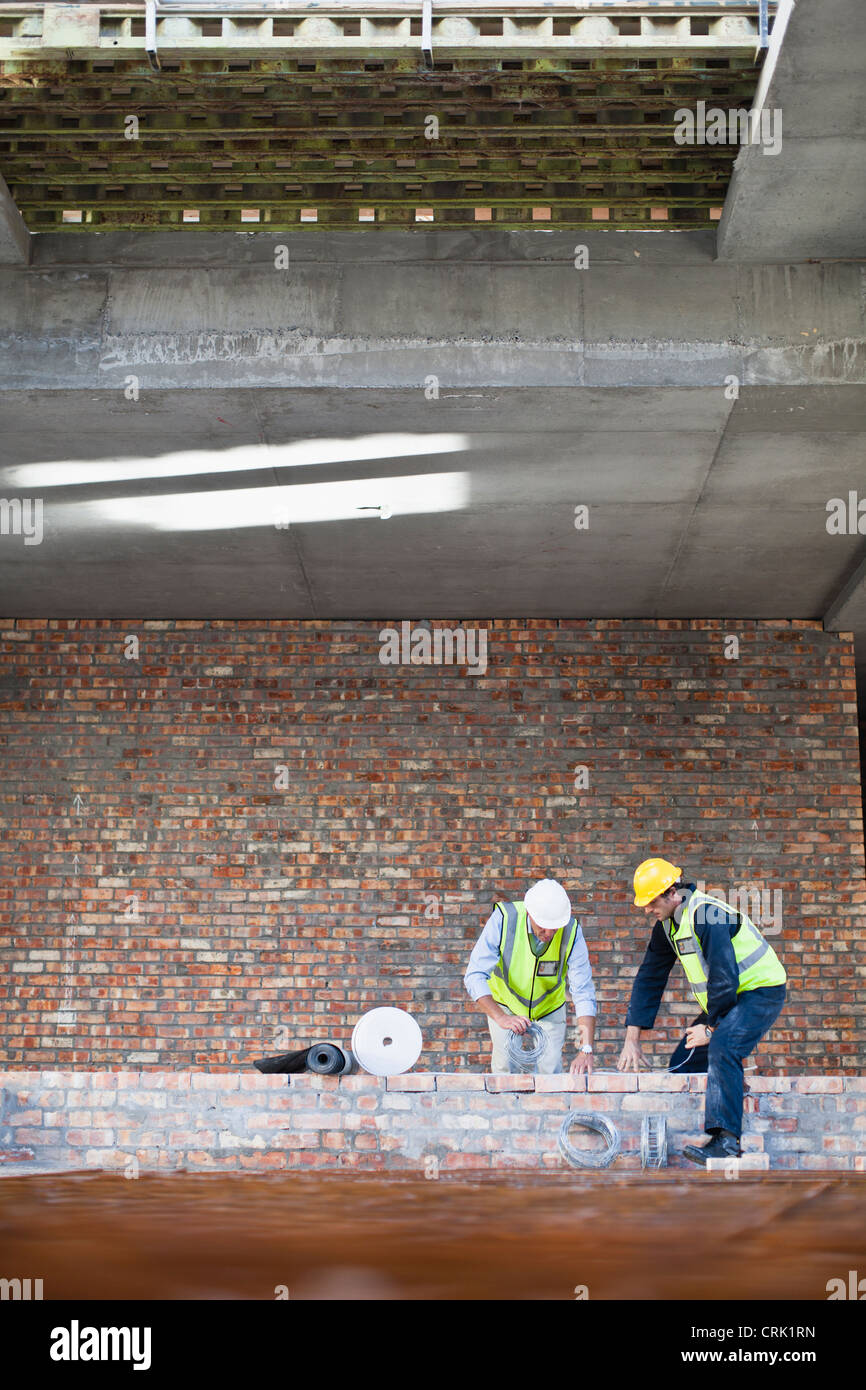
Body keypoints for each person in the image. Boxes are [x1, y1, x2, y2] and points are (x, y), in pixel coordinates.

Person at [618, 857, 787, 1164]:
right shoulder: (667, 925)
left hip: (761, 991)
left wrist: (711, 1029)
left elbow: (724, 976)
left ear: (672, 893)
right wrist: (632, 1038)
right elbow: (650, 976)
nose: (647, 910)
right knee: (683, 1060)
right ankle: (706, 1122)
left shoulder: (706, 913)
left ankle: (726, 1141)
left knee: (724, 1046)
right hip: (730, 998)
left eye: (651, 902)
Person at [464, 877, 597, 1075]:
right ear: (529, 912)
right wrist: (500, 1017)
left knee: (550, 1071)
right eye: (543, 925)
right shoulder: (504, 919)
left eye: (555, 927)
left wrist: (586, 1048)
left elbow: (583, 992)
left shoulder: (572, 931)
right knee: (504, 1070)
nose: (549, 933)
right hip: (506, 1004)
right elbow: (474, 975)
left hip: (549, 1007)